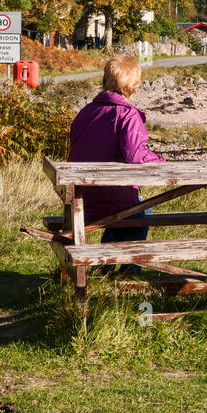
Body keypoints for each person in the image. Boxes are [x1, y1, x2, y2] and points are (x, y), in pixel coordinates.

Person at [68, 55, 164, 271]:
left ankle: (105, 266)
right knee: (141, 212)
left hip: (84, 197)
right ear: (133, 84)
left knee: (125, 214)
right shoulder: (128, 115)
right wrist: (159, 159)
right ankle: (130, 270)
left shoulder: (87, 111)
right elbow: (134, 156)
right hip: (111, 195)